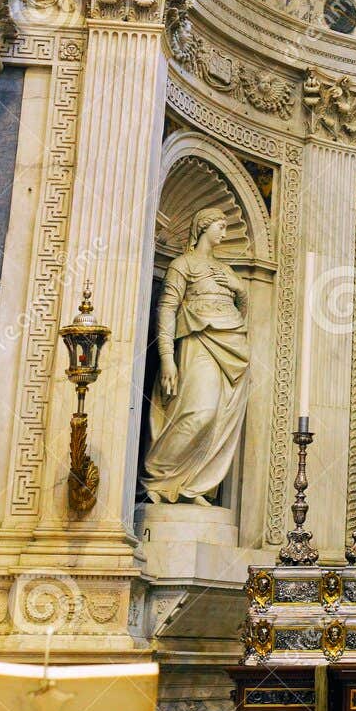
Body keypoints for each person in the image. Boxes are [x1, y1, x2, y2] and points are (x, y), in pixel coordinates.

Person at [143, 208, 250, 504]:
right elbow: (166, 309)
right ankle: (159, 475)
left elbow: (241, 315)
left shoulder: (227, 272)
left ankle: (194, 484)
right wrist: (166, 357)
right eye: (220, 226)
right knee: (199, 412)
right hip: (197, 342)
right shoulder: (183, 264)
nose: (224, 233)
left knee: (220, 416)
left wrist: (240, 291)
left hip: (233, 349)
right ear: (203, 226)